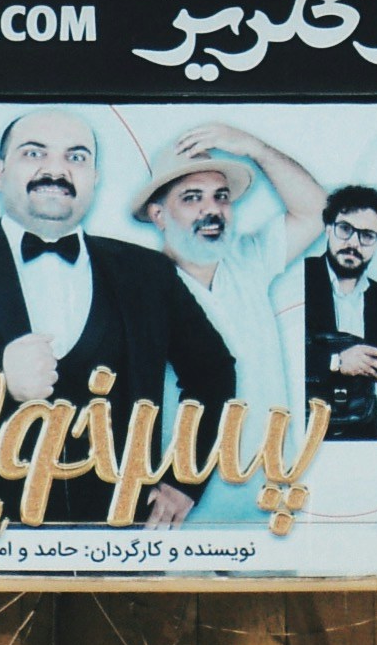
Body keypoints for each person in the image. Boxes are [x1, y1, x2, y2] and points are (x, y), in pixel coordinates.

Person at [0, 109, 234, 523]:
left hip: (118, 533)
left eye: (76, 158)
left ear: (95, 177)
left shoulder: (147, 272)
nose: (56, 170)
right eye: (34, 154)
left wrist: (184, 480)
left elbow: (213, 371)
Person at [136, 124, 328, 518]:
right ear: (158, 215)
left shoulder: (248, 259)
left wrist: (256, 148)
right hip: (183, 500)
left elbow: (317, 211)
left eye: (220, 197)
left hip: (270, 496)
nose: (212, 210)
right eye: (192, 198)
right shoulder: (137, 286)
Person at [305, 185, 377, 441]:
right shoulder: (297, 279)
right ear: (328, 228)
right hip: (305, 426)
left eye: (367, 235)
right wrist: (335, 361)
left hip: (363, 426)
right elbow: (274, 351)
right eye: (345, 229)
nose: (353, 243)